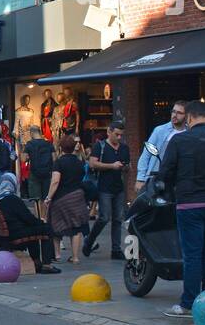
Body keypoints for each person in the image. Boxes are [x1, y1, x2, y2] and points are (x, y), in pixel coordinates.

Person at [156, 101, 205, 319]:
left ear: (189, 118)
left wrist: (170, 189)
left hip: (190, 205)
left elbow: (165, 172)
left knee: (192, 256)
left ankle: (189, 303)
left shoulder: (180, 140)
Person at [83, 123, 130, 260]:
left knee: (117, 219)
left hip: (119, 187)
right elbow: (92, 163)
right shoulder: (100, 146)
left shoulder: (124, 148)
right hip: (104, 187)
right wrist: (112, 166)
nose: (119, 137)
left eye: (121, 135)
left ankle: (116, 249)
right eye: (117, 134)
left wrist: (126, 167)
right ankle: (90, 240)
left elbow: (128, 166)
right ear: (109, 132)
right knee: (104, 217)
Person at [45, 134, 89, 264]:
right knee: (76, 228)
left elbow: (55, 181)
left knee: (56, 226)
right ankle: (75, 257)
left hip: (61, 198)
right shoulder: (79, 162)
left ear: (61, 148)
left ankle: (57, 255)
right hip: (77, 196)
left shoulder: (58, 162)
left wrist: (48, 197)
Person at [136, 100, 188, 193]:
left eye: (179, 113)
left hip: (180, 181)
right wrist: (140, 179)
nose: (175, 115)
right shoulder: (160, 130)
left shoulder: (189, 133)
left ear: (187, 116)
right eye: (173, 111)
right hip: (156, 179)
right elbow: (146, 154)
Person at [24, 126, 54, 201]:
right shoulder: (49, 143)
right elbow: (55, 158)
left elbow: (23, 159)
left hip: (34, 174)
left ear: (31, 133)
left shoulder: (29, 144)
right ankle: (45, 212)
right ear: (40, 132)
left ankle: (38, 212)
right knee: (46, 198)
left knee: (35, 200)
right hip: (47, 173)